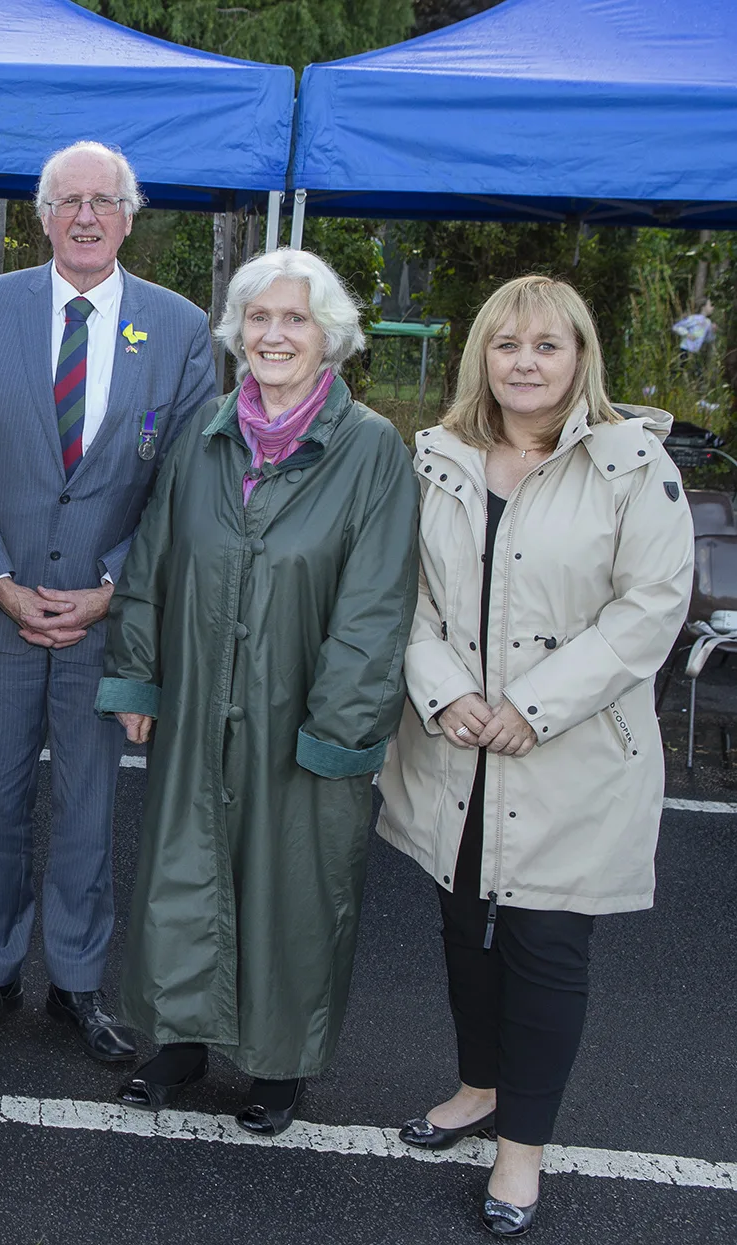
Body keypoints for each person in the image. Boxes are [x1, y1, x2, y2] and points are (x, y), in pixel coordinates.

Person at [379, 275, 692, 1238]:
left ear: (580, 358)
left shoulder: (633, 464)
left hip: (571, 755)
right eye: (507, 344)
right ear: (482, 355)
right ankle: (477, 1087)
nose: (525, 361)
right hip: (458, 746)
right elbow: (405, 594)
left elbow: (651, 606)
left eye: (546, 346)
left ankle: (522, 1151)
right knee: (463, 930)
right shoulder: (435, 457)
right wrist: (447, 690)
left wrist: (532, 706)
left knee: (545, 950)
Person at [95, 248, 418, 1136]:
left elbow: (377, 603)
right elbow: (154, 561)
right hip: (200, 694)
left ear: (332, 338)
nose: (274, 335)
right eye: (260, 318)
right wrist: (136, 673)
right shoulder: (206, 433)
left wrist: (339, 729)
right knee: (184, 868)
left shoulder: (371, 450)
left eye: (296, 319)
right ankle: (178, 1044)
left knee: (294, 888)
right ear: (238, 332)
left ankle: (279, 1064)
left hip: (299, 711)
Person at [0, 141, 215, 1061]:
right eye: (67, 202)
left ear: (131, 217)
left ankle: (79, 985)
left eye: (103, 201)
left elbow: (186, 482)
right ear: (44, 215)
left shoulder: (178, 327)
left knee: (89, 810)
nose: (85, 217)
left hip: (106, 620)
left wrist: (111, 590)